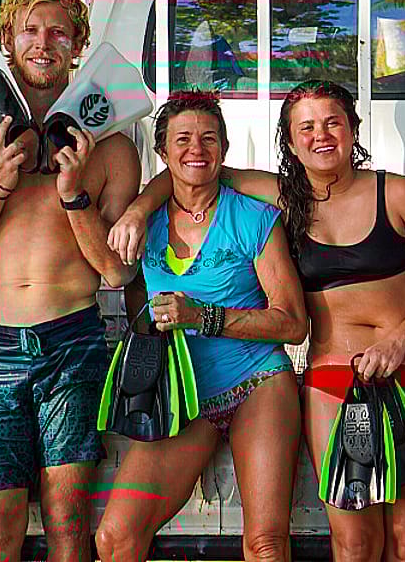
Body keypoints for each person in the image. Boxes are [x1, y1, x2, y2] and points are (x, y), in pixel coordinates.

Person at [108, 80, 405, 562]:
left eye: (333, 122)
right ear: (290, 142)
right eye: (307, 127)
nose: (322, 136)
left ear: (353, 127)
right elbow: (190, 171)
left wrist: (397, 342)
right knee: (354, 543)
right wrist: (137, 208)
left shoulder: (397, 192)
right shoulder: (287, 199)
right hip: (336, 374)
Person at [0, 0, 141, 562]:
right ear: (7, 39)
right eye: (30, 30)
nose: (43, 43)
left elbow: (116, 273)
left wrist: (74, 195)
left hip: (73, 341)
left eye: (58, 32)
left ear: (77, 44)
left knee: (70, 519)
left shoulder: (112, 150)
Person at [95, 89, 308, 562]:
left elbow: (293, 323)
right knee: (115, 538)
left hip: (257, 382)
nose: (197, 149)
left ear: (225, 150)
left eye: (209, 138)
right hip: (184, 395)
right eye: (183, 139)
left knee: (266, 544)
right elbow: (133, 301)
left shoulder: (253, 218)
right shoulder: (143, 222)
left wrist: (202, 316)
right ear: (163, 151)